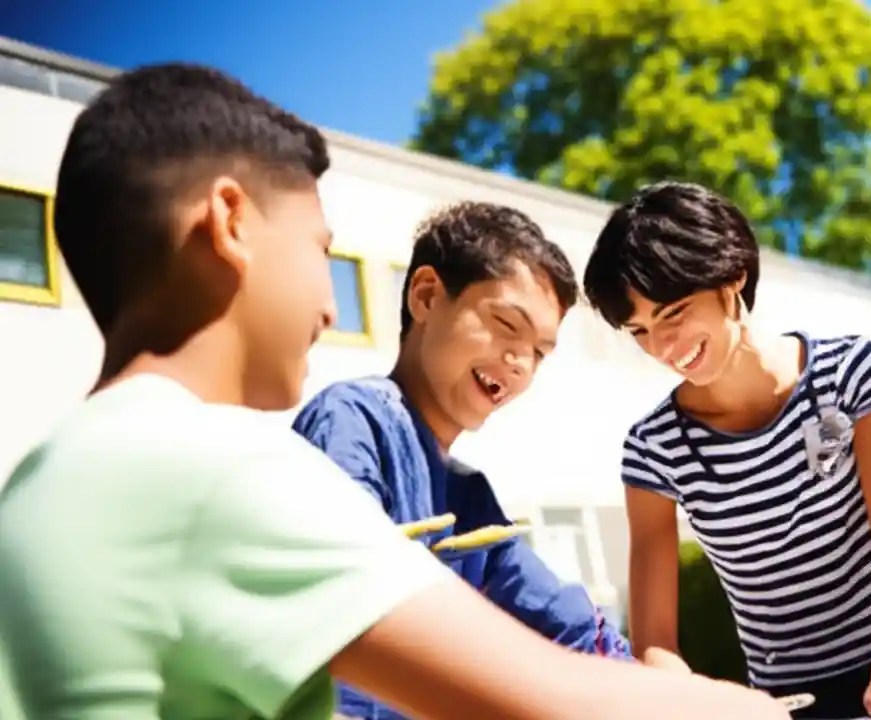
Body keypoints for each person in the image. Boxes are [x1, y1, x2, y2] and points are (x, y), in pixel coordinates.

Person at [0, 63, 790, 720]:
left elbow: (569, 634)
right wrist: (740, 710)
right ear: (231, 221)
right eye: (321, 252)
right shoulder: (211, 470)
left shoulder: (55, 474)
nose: (330, 307)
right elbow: (546, 700)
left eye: (540, 351)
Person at [582, 181, 871, 719]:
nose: (663, 347)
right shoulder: (654, 451)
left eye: (673, 313)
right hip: (789, 700)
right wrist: (697, 704)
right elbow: (656, 645)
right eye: (640, 330)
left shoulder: (848, 376)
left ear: (732, 275)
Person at [292, 201, 631, 719]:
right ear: (426, 295)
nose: (519, 363)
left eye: (540, 352)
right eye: (506, 324)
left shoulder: (467, 495)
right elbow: (349, 598)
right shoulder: (353, 419)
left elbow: (570, 626)